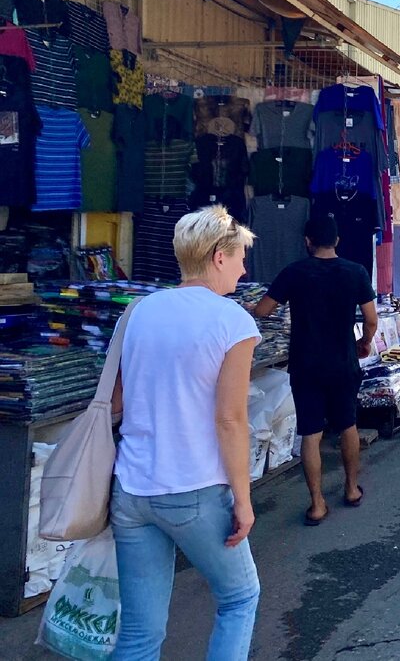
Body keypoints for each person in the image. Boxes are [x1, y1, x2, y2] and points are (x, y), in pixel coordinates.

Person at [110, 205, 261, 659]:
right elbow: (230, 419)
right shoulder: (232, 321)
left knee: (139, 632)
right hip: (192, 487)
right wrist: (244, 498)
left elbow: (116, 404)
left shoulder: (137, 311)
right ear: (219, 256)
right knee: (239, 597)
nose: (243, 267)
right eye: (239, 257)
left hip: (132, 488)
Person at [250, 214, 377, 525]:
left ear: (307, 241)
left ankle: (317, 504)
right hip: (342, 361)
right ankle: (350, 489)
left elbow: (264, 310)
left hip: (306, 364)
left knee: (311, 433)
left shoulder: (294, 272)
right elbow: (371, 319)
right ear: (337, 241)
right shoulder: (355, 272)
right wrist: (366, 343)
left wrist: (248, 307)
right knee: (348, 425)